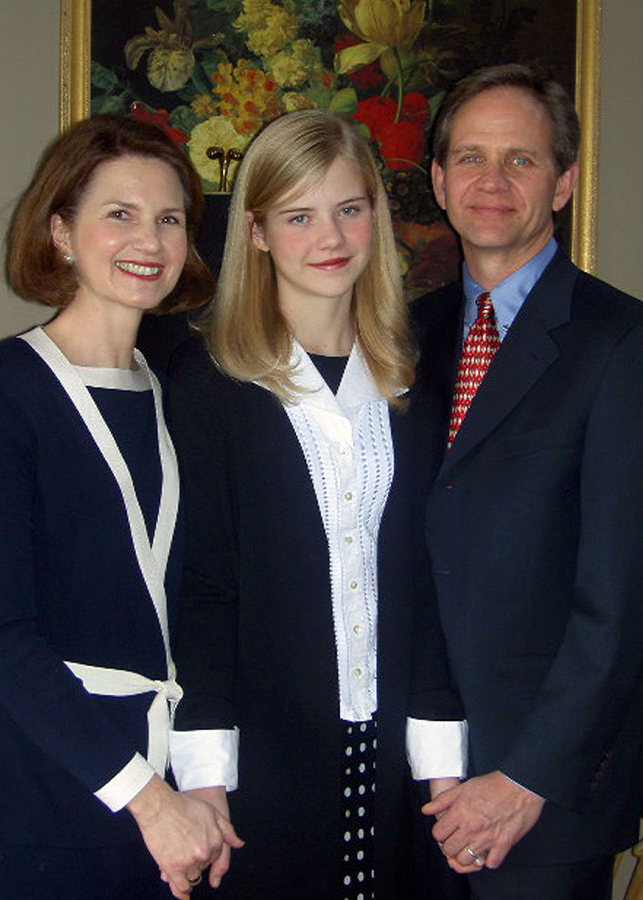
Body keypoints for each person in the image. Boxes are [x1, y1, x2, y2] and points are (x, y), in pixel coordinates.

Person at [165, 109, 467, 900]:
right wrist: (204, 775)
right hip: (263, 759)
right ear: (257, 232)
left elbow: (425, 584)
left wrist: (442, 770)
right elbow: (203, 591)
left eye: (350, 207)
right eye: (299, 216)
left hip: (394, 752)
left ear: (376, 214)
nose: (329, 235)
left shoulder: (411, 387)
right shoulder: (210, 384)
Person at [0, 114, 243, 900]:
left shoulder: (177, 397)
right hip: (31, 782)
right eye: (120, 214)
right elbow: (0, 635)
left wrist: (197, 786)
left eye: (169, 219)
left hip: (159, 779)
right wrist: (149, 801)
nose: (149, 239)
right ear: (61, 232)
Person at [412, 64, 643, 899]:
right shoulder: (404, 333)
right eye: (470, 157)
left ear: (564, 182)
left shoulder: (621, 343)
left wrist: (525, 779)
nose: (492, 181)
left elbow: (620, 600)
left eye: (521, 159)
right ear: (438, 181)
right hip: (414, 778)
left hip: (541, 800)